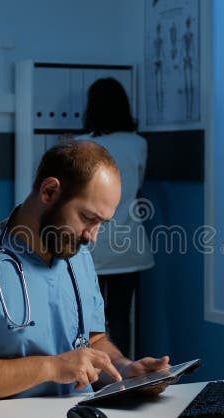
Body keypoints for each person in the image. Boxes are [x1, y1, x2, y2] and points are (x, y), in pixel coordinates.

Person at [0, 140, 169, 399]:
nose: (92, 237)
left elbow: (92, 342)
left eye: (101, 223)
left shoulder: (77, 257)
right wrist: (51, 367)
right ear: (49, 192)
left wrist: (123, 370)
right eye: (87, 218)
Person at [74, 78, 155, 359]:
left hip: (92, 247)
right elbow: (137, 185)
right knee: (121, 316)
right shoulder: (139, 143)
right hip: (130, 246)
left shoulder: (81, 145)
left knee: (88, 320)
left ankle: (93, 373)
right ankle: (125, 374)